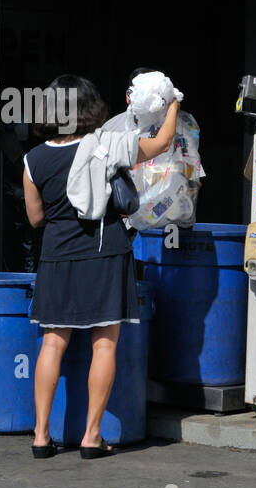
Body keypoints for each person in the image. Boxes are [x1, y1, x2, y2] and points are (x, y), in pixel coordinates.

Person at [25, 75, 178, 459]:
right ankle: (91, 437)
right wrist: (173, 102)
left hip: (56, 257)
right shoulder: (107, 144)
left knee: (52, 342)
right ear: (91, 109)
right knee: (104, 343)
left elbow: (34, 218)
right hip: (104, 253)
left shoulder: (33, 160)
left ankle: (41, 436)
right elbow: (160, 143)